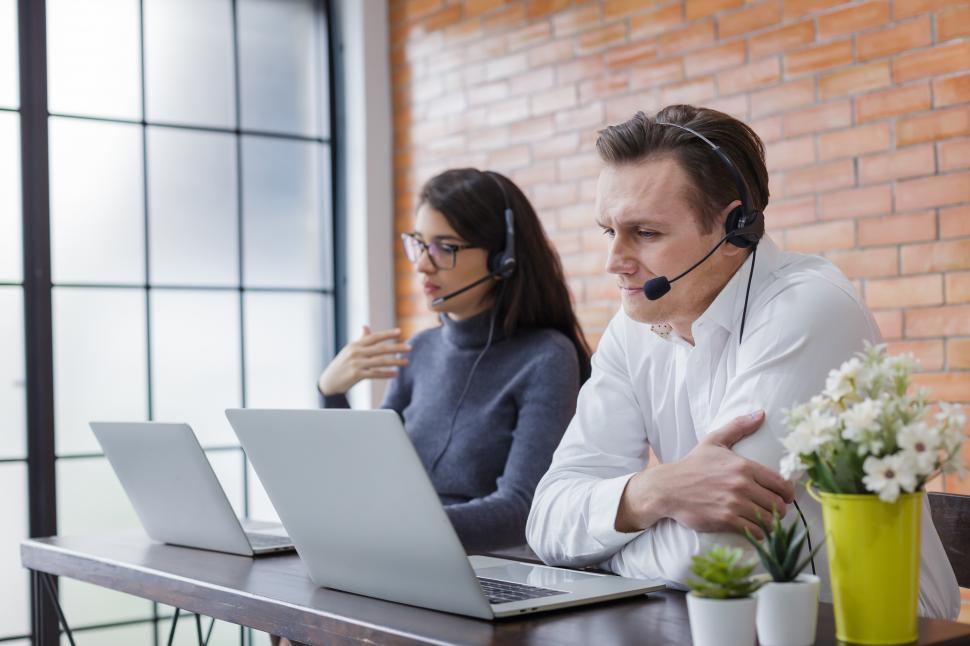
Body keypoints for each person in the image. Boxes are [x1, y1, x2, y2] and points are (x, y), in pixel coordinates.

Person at [525, 105, 960, 619]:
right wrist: (654, 490)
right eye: (608, 231)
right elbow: (546, 521)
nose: (613, 262)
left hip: (864, 626)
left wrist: (597, 553)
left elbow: (720, 556)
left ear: (736, 232)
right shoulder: (633, 327)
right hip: (722, 622)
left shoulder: (809, 308)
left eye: (645, 233)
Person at [318, 168, 592, 553]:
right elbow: (370, 479)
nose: (422, 265)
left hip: (482, 570)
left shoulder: (547, 357)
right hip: (405, 556)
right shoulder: (420, 351)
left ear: (503, 259)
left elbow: (521, 509)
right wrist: (330, 393)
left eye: (444, 247)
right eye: (418, 243)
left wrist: (396, 529)